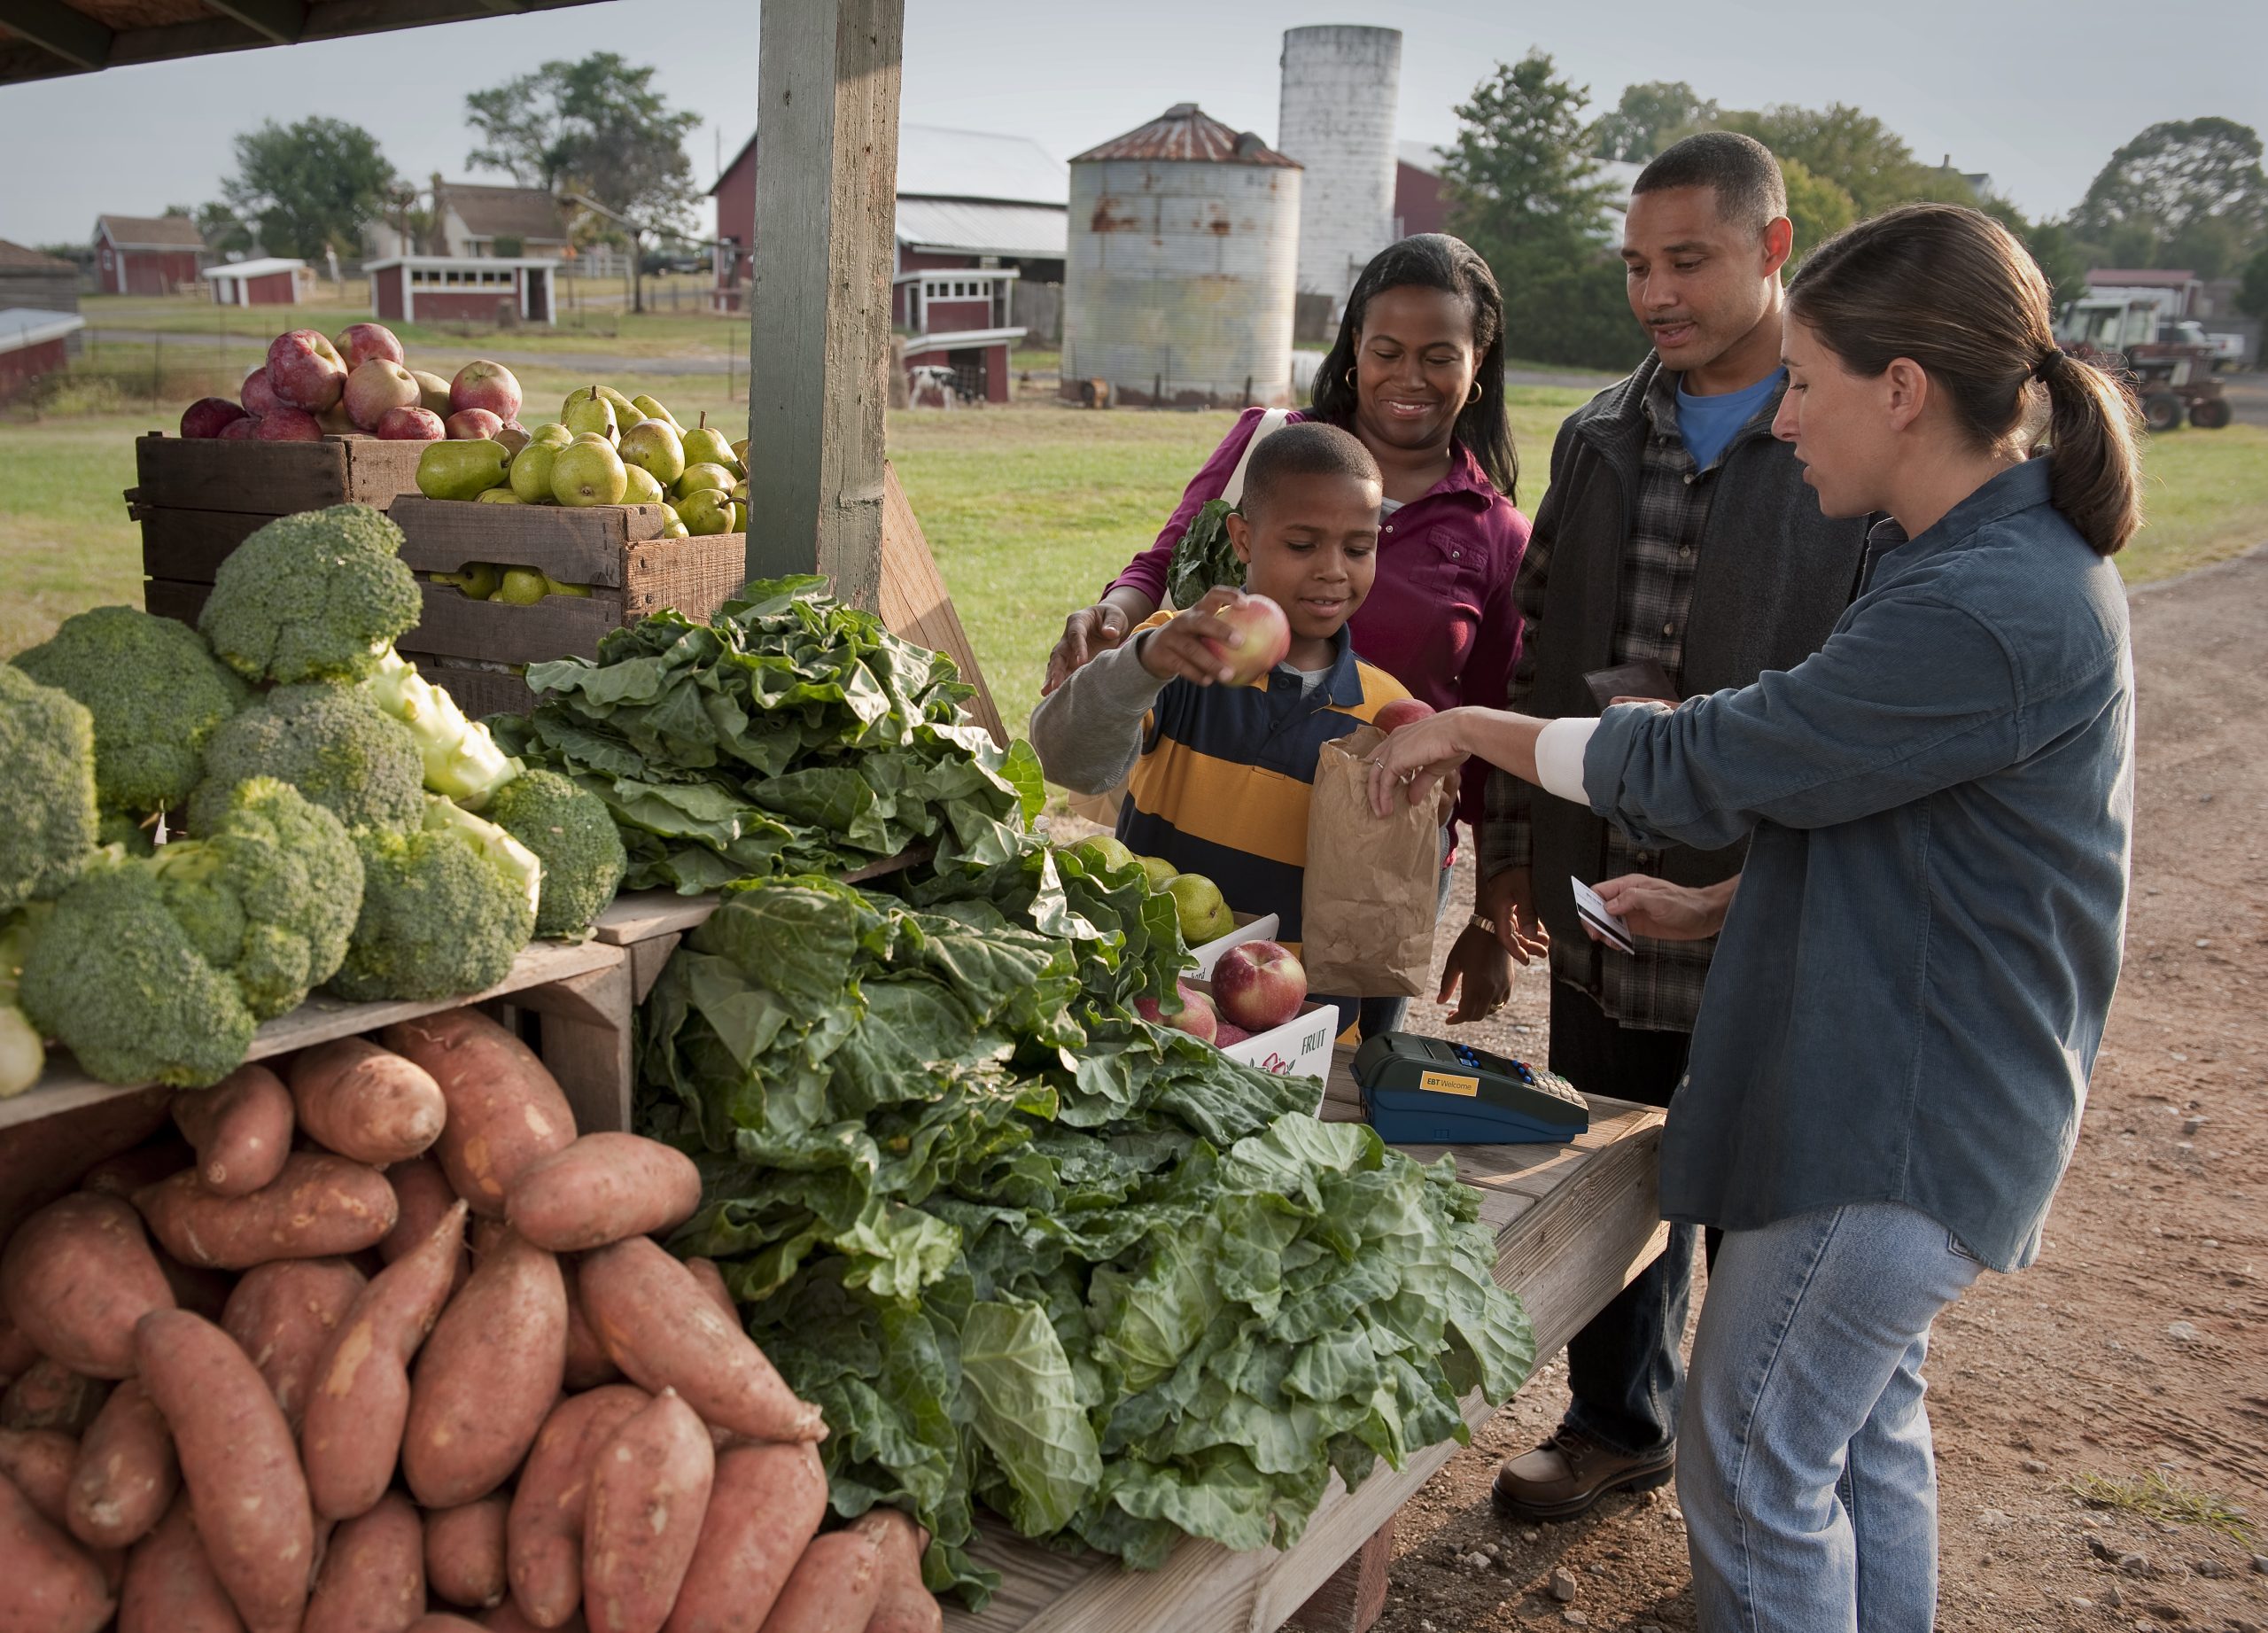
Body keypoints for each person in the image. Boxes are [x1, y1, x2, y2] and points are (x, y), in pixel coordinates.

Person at [1371, 202, 2139, 1633]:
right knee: (1858, 1442)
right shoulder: (1965, 559)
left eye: (1807, 382)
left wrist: (1473, 724)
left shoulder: (1978, 600)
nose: (1785, 421)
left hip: (1889, 1122)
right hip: (1923, 1095)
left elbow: (1711, 755)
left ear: (1900, 391)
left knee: (1751, 1460)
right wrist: (1733, 896)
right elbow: (1897, 807)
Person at [1480, 131, 1872, 1523]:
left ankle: (1751, 1462)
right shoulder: (1596, 436)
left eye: (1688, 260)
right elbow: (1534, 657)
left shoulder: (1844, 441)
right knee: (1619, 1158)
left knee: (1763, 1186)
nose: (1656, 291)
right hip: (1605, 873)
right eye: (1638, 263)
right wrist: (1521, 843)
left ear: (1774, 250)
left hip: (1772, 885)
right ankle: (1613, 1420)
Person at [1044, 234, 1530, 1029]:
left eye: (1440, 354)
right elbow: (1164, 558)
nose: (1409, 376)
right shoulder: (1273, 445)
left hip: (1369, 855)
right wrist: (1122, 627)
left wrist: (1490, 914)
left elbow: (1493, 725)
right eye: (1386, 350)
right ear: (1352, 351)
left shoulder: (1497, 531)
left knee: (1331, 1070)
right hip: (1208, 783)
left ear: (1478, 365)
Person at [1028, 422, 1414, 1029]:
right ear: (1242, 538)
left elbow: (1386, 898)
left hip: (1305, 1030)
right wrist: (1144, 661)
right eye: (1302, 544)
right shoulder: (1176, 654)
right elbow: (1064, 757)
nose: (1333, 570)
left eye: (1358, 548)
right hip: (1155, 1008)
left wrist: (1364, 1038)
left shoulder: (1386, 712)